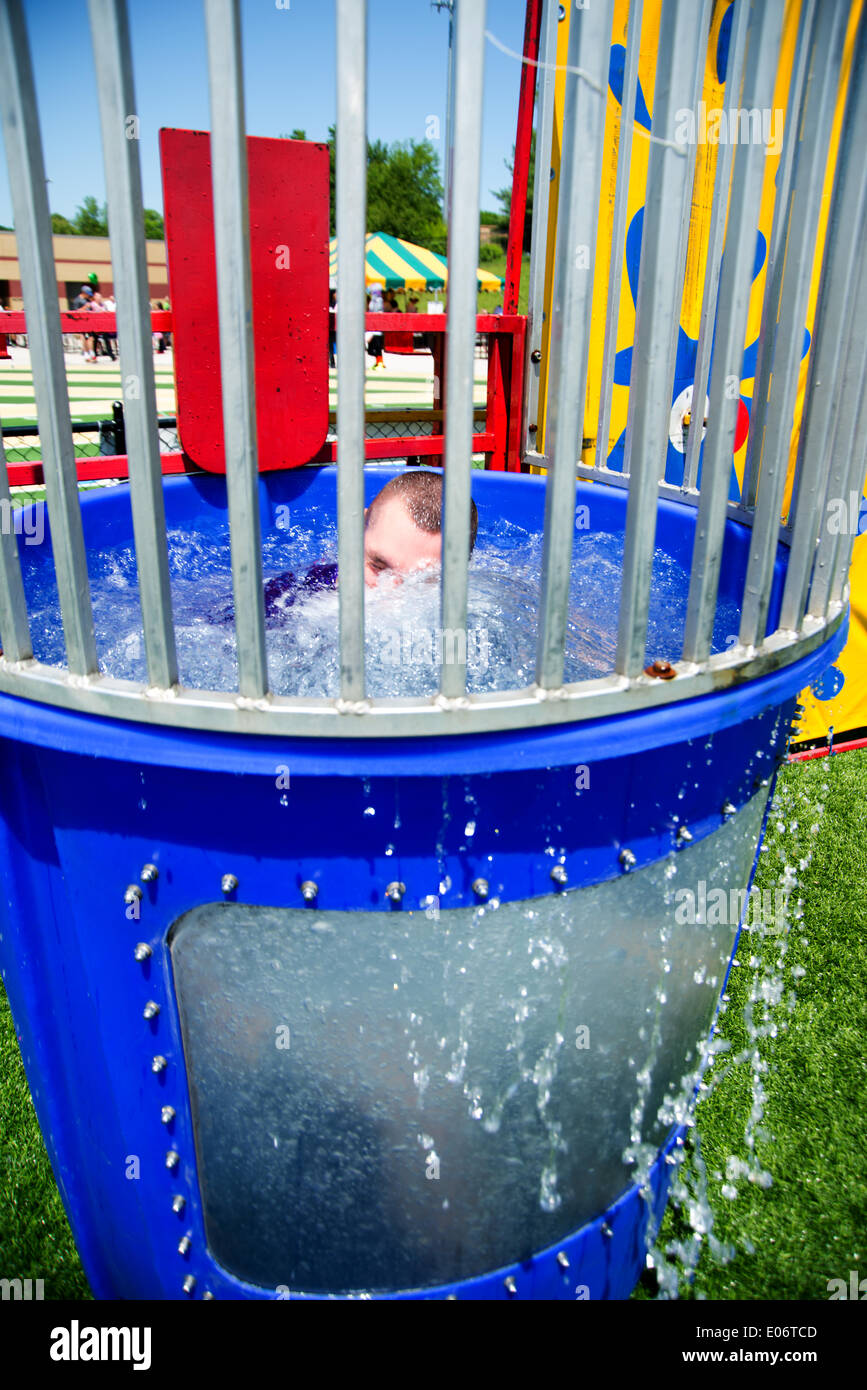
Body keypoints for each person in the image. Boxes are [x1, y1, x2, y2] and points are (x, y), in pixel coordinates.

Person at [217, 471, 479, 624]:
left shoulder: (467, 617)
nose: (389, 591)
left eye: (421, 580)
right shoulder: (289, 596)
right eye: (378, 565)